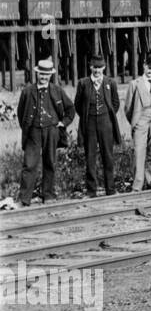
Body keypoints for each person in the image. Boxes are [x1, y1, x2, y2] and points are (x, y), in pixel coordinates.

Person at [18, 57, 72, 205]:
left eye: (46, 75)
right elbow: (21, 112)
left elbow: (70, 109)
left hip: (51, 131)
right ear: (37, 74)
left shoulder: (57, 90)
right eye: (41, 74)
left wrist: (62, 123)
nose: (43, 77)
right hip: (33, 133)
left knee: (50, 162)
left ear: (50, 75)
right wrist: (28, 128)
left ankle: (48, 195)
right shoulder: (27, 91)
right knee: (29, 164)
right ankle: (24, 199)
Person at [74, 55, 121, 196]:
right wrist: (88, 115)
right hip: (89, 123)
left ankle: (110, 189)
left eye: (100, 68)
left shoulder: (110, 82)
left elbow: (115, 103)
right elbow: (78, 104)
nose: (97, 71)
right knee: (90, 157)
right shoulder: (83, 83)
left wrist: (107, 115)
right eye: (94, 67)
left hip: (106, 122)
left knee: (108, 156)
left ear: (104, 68)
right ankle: (91, 190)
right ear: (90, 67)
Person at [124, 54, 151, 192]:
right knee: (139, 152)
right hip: (141, 122)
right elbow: (128, 108)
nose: (150, 71)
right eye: (149, 68)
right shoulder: (134, 84)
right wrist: (135, 122)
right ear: (144, 65)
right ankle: (137, 184)